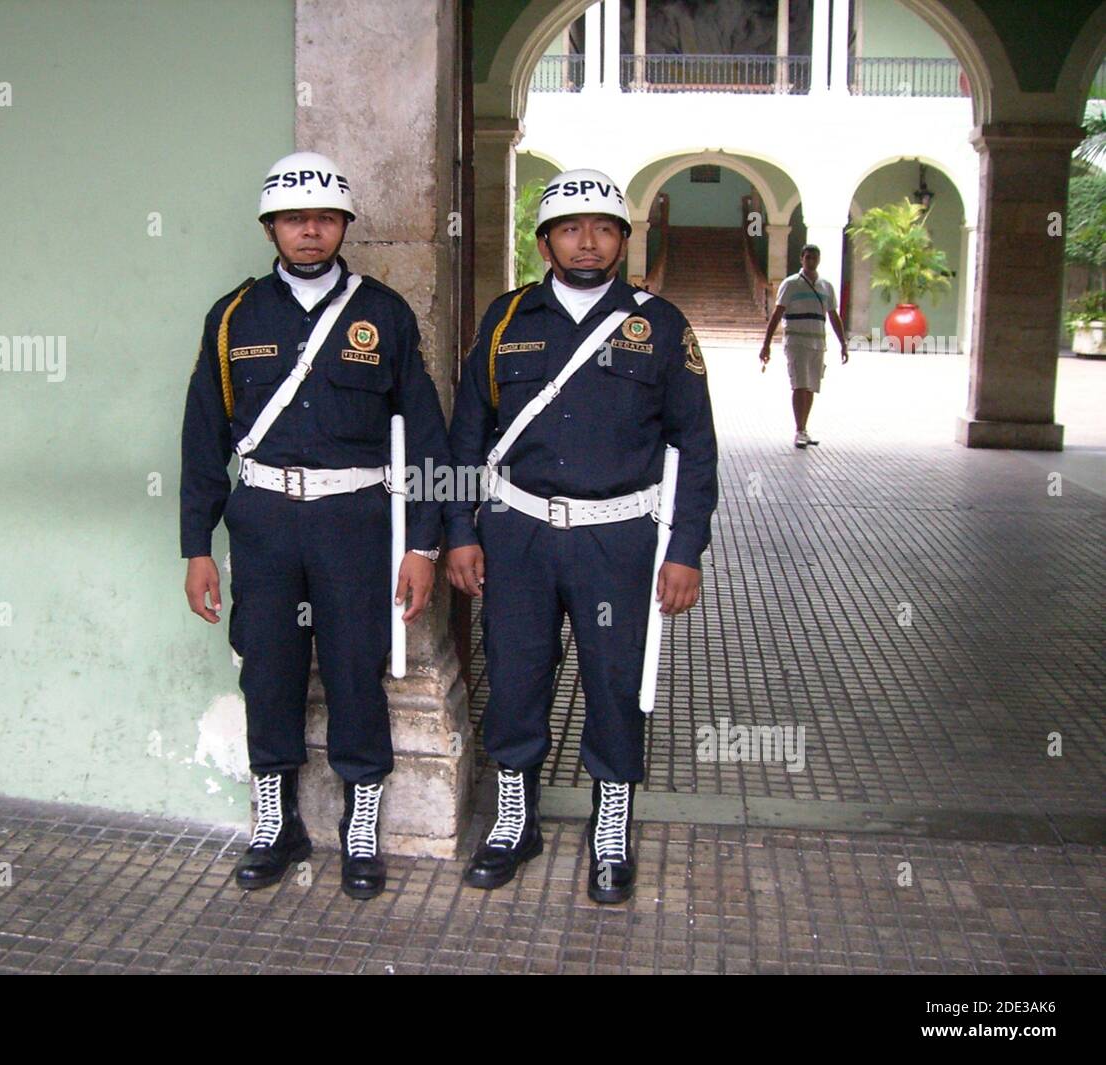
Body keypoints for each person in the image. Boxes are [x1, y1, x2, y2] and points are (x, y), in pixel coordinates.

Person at [179, 151, 450, 900]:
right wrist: (196, 546)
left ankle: (359, 825)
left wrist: (423, 542)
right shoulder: (233, 316)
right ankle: (277, 820)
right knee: (267, 667)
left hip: (355, 521)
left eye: (325, 218)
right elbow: (204, 439)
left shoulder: (383, 314)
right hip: (263, 521)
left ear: (344, 226)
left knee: (356, 669)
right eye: (295, 219)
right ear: (271, 226)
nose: (310, 230)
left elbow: (425, 438)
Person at [445, 169, 719, 904]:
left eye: (604, 227)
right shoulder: (505, 320)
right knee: (516, 675)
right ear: (545, 242)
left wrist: (685, 548)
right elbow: (468, 433)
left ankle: (611, 826)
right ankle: (513, 819)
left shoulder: (661, 326)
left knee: (613, 681)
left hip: (618, 540)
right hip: (518, 534)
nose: (588, 240)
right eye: (571, 228)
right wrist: (458, 531)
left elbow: (696, 445)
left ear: (626, 240)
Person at [759, 243, 849, 448]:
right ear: (801, 259)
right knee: (799, 385)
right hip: (796, 342)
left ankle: (804, 428)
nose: (811, 261)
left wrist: (843, 343)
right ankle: (799, 429)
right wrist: (766, 344)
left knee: (810, 386)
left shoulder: (826, 286)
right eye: (807, 257)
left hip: (817, 342)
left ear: (819, 260)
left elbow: (834, 316)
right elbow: (777, 314)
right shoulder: (790, 284)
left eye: (814, 257)